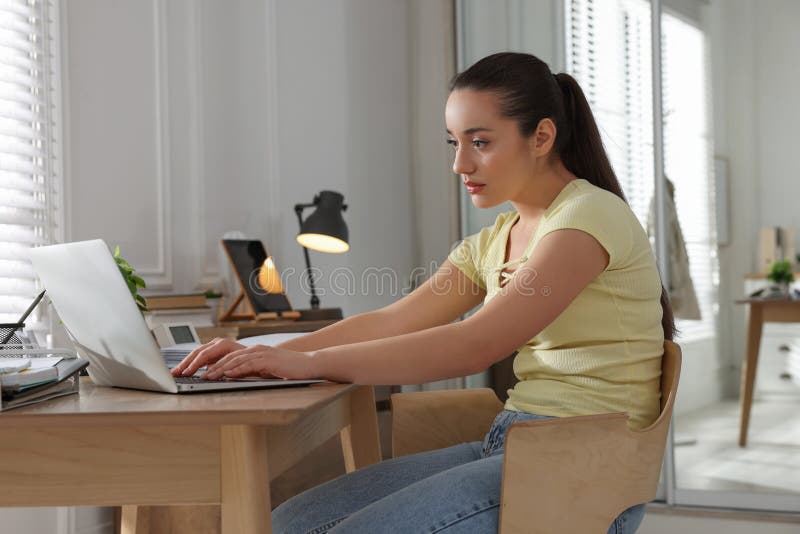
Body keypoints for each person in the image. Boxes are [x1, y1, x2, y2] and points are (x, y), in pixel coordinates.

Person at [172, 51, 675, 534]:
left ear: (541, 136)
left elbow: (478, 343)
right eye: (453, 142)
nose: (460, 165)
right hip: (514, 441)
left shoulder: (585, 218)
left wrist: (312, 362)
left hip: (585, 466)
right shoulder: (496, 238)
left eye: (480, 142)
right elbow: (395, 319)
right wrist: (267, 351)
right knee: (289, 523)